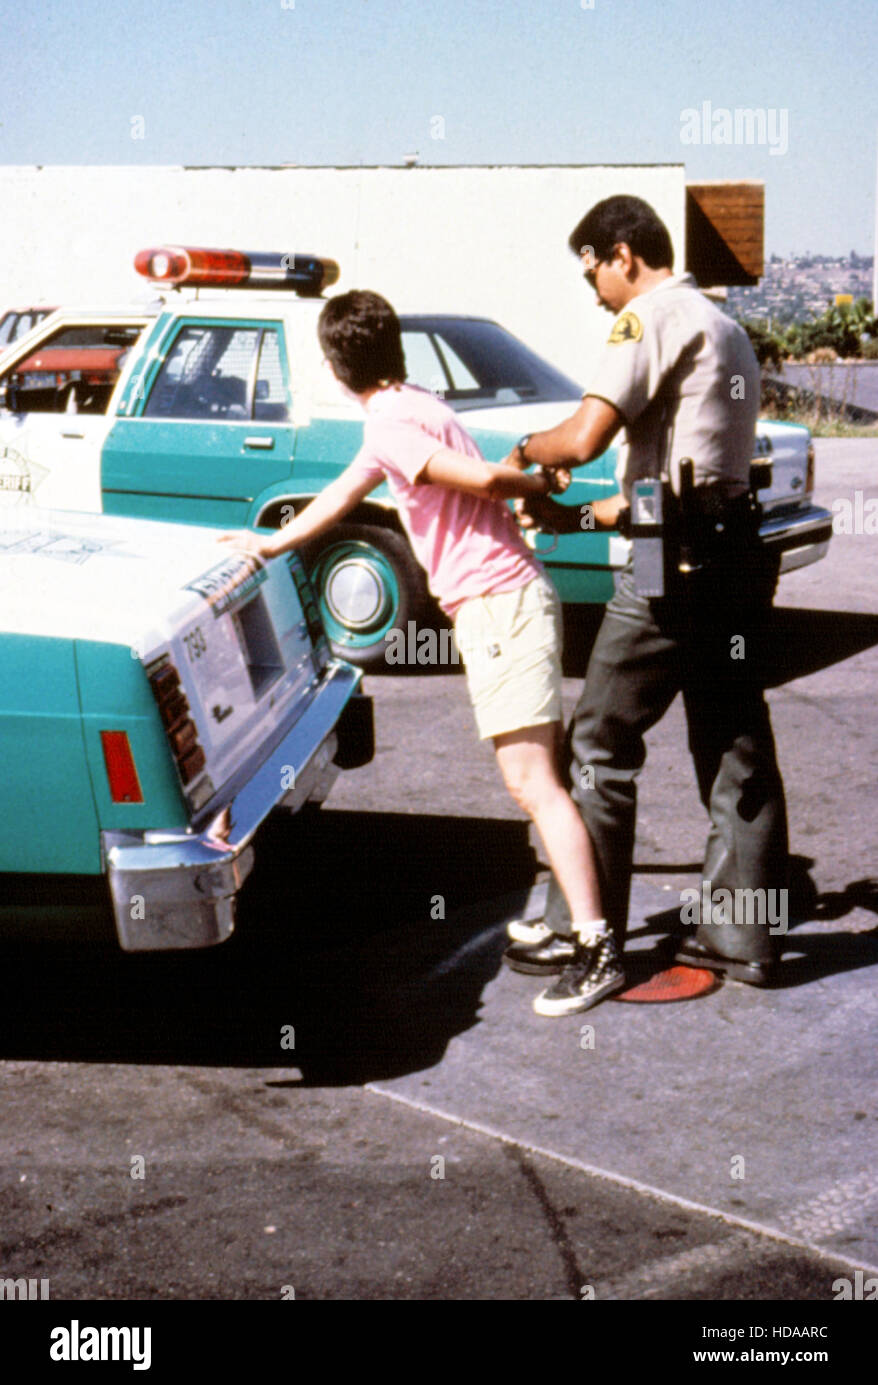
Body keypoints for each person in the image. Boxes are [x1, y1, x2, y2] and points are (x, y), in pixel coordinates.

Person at [219, 289, 625, 1014]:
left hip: (499, 605)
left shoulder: (391, 423)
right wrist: (270, 543)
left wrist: (534, 481)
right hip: (505, 601)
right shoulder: (414, 406)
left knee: (533, 783)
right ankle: (577, 926)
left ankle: (597, 948)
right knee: (541, 779)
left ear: (336, 367)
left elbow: (488, 480)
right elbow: (343, 493)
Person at [501, 194, 788, 1011]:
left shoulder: (649, 317)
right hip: (729, 556)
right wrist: (578, 516)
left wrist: (527, 452)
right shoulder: (723, 326)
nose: (593, 291)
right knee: (734, 745)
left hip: (674, 571)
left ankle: (580, 926)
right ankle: (744, 938)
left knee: (598, 740)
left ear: (622, 254)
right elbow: (670, 483)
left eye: (591, 270)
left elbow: (584, 437)